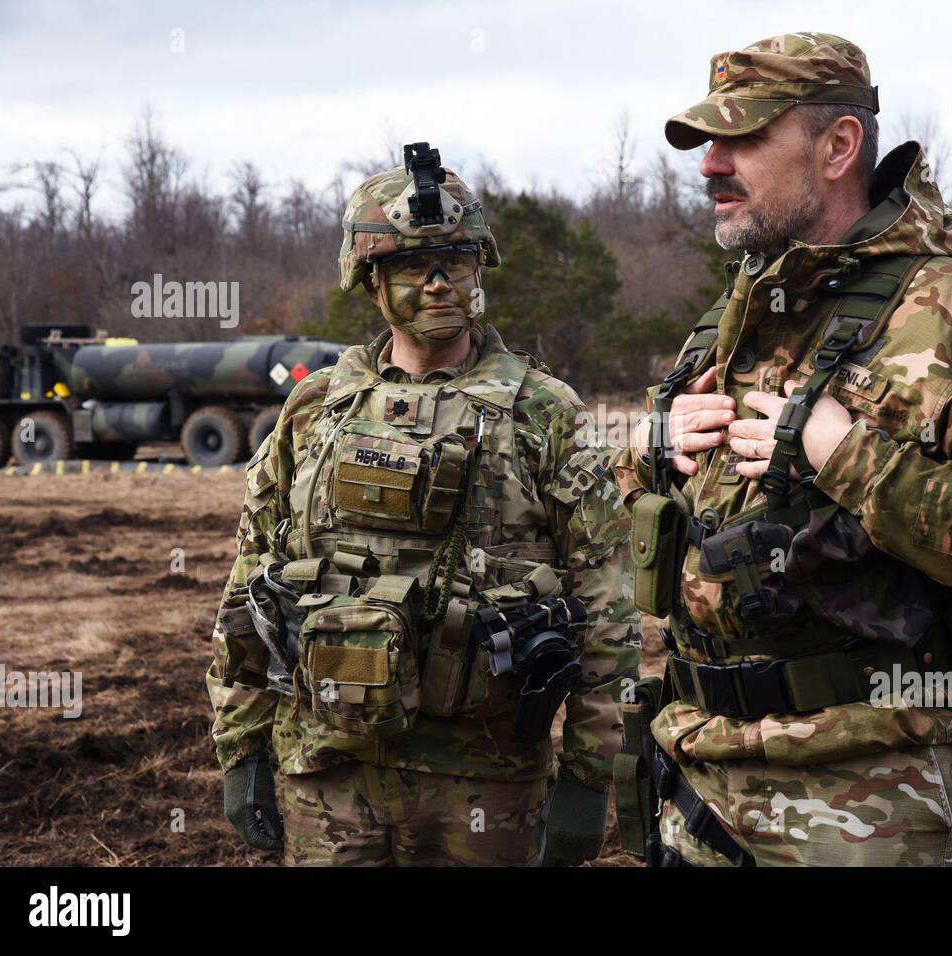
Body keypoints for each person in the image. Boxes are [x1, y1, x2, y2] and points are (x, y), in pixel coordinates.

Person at [615, 33, 952, 866]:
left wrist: (847, 456)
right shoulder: (745, 307)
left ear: (838, 146)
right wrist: (649, 447)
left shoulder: (951, 311)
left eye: (743, 139)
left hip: (869, 790)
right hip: (705, 774)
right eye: (708, 143)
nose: (710, 166)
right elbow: (663, 496)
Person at [208, 144, 640, 866]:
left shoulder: (542, 410)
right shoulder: (314, 409)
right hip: (328, 769)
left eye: (457, 264)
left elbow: (607, 608)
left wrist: (591, 777)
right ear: (371, 281)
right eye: (414, 266)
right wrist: (241, 747)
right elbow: (251, 584)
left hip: (486, 779)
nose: (440, 285)